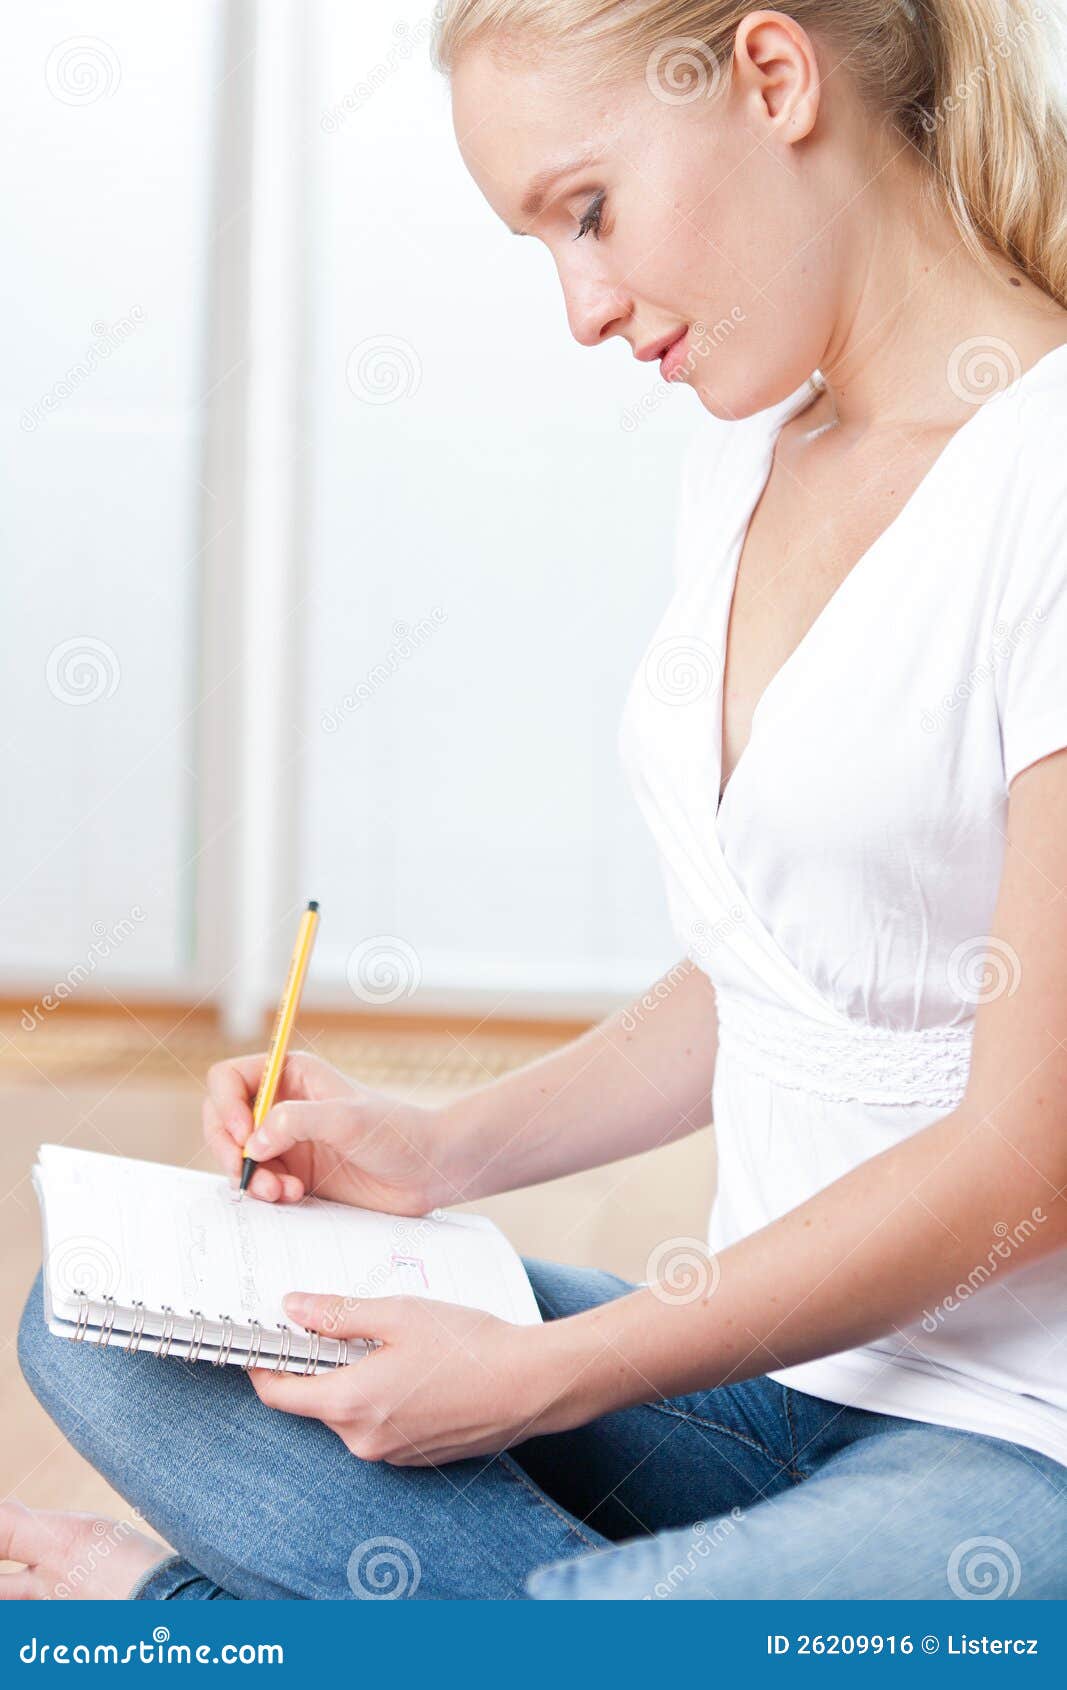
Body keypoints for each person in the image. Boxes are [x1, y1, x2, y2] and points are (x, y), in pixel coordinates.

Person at [6, 0, 1067, 1601]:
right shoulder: (759, 449)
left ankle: (199, 1621)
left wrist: (547, 1377)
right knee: (102, 1323)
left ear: (773, 77)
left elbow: (1023, 1157)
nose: (581, 307)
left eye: (588, 209)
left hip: (1011, 1444)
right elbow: (780, 977)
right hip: (766, 1395)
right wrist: (431, 1151)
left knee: (590, 1618)